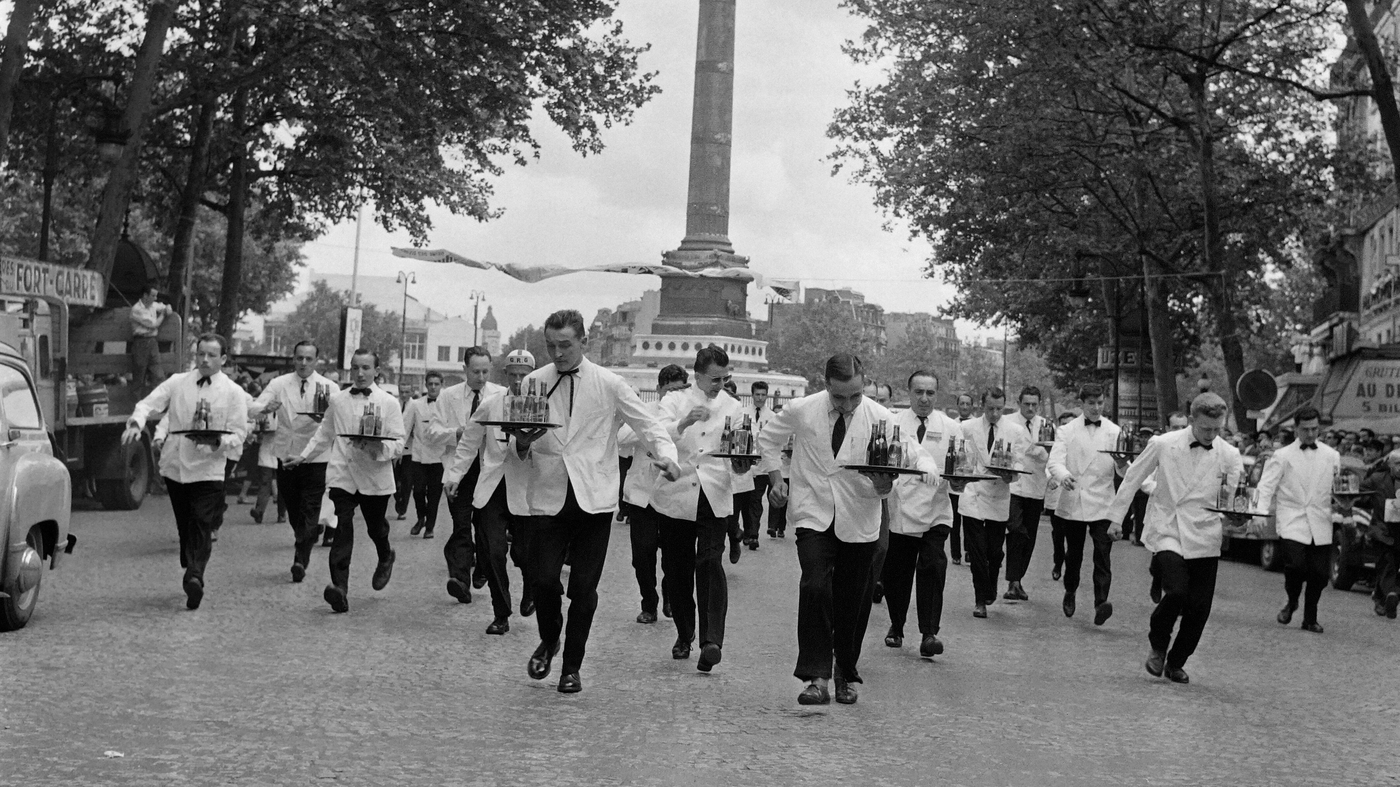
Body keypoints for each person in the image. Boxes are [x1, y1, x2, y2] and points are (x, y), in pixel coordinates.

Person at [508, 310, 679, 694]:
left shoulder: (609, 383)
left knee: (584, 590)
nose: (557, 353)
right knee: (543, 580)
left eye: (565, 345)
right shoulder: (533, 382)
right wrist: (521, 443)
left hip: (594, 501)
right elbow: (518, 441)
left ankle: (571, 667)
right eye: (550, 346)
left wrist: (669, 457)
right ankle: (550, 637)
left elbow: (648, 425)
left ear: (583, 341)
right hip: (548, 495)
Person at [757, 354, 911, 706]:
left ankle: (845, 670)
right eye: (839, 397)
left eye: (856, 396)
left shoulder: (881, 417)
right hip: (813, 511)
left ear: (864, 384)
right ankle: (816, 677)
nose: (848, 404)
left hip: (859, 515)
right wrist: (776, 478)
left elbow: (908, 459)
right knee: (814, 584)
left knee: (853, 596)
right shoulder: (802, 409)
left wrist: (887, 484)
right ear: (825, 384)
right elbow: (768, 440)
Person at [1108, 393, 1244, 684]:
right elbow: (1133, 478)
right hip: (1168, 526)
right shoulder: (1163, 444)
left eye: (1217, 429)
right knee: (1177, 592)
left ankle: (1177, 661)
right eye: (1205, 428)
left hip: (1205, 532)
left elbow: (1234, 498)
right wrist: (1116, 519)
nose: (1211, 435)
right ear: (1192, 420)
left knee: (1199, 609)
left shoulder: (1230, 455)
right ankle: (1158, 645)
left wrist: (1239, 518)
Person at [122, 333, 248, 609]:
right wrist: (136, 423)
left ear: (223, 359)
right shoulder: (178, 382)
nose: (205, 360)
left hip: (209, 467)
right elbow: (148, 404)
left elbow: (239, 432)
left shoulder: (233, 392)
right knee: (185, 522)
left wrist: (218, 442)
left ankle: (195, 576)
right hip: (176, 466)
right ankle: (189, 558)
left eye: (211, 355)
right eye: (201, 354)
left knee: (202, 521)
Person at [652, 345, 750, 671]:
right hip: (677, 491)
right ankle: (685, 633)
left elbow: (739, 450)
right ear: (697, 376)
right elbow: (655, 435)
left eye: (725, 378)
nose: (720, 385)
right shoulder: (674, 400)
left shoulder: (733, 406)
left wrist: (741, 464)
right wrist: (682, 423)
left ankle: (711, 641)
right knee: (677, 569)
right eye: (714, 379)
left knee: (709, 561)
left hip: (714, 492)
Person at [286, 349, 405, 614]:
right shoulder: (338, 400)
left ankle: (385, 555)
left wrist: (377, 448)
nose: (360, 374)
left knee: (376, 527)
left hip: (374, 475)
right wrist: (303, 457)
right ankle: (339, 588)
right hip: (343, 474)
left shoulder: (389, 403)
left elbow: (399, 443)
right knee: (342, 527)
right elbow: (324, 433)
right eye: (355, 368)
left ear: (377, 371)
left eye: (366, 368)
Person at [443, 352, 536, 634]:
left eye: (524, 375)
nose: (518, 380)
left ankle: (531, 588)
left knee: (526, 553)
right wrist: (455, 476)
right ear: (505, 374)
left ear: (533, 376)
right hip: (493, 486)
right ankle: (501, 613)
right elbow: (469, 442)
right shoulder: (491, 404)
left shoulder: (543, 407)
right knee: (491, 551)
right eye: (513, 375)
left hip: (527, 489)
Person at [882, 370, 959, 658]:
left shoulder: (951, 427)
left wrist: (959, 484)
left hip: (936, 509)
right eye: (919, 392)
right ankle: (897, 625)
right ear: (909, 393)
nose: (924, 398)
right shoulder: (893, 422)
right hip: (901, 508)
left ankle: (929, 633)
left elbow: (960, 469)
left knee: (933, 566)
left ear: (937, 395)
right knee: (897, 571)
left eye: (930, 393)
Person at [247, 340, 336, 582]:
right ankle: (307, 534)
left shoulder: (329, 387)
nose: (303, 363)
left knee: (310, 506)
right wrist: (265, 407)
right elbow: (253, 407)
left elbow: (337, 419)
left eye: (309, 359)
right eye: (299, 358)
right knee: (294, 507)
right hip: (286, 454)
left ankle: (300, 558)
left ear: (316, 361)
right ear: (293, 359)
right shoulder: (279, 383)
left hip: (316, 455)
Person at [1252, 407, 1339, 634]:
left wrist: (1344, 505)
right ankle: (1292, 601)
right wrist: (1258, 513)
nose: (1310, 434)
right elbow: (1266, 486)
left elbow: (1338, 488)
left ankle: (1310, 618)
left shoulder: (1331, 455)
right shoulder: (1282, 456)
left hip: (1320, 519)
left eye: (1314, 429)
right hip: (1292, 518)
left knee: (1320, 574)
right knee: (1296, 566)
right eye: (1305, 429)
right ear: (1296, 428)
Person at [427, 347, 504, 603]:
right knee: (461, 526)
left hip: (489, 471)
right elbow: (432, 433)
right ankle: (460, 580)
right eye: (475, 372)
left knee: (484, 526)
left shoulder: (500, 395)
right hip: (458, 472)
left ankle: (482, 566)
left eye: (485, 372)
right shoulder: (448, 396)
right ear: (465, 370)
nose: (481, 377)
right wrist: (456, 433)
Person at [1047, 384, 1122, 626]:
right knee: (1074, 553)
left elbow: (1122, 468)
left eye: (1100, 402)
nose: (1096, 408)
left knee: (1103, 553)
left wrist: (1122, 463)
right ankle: (1070, 590)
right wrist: (1063, 476)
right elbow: (1054, 461)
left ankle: (1101, 602)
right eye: (1091, 403)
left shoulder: (1114, 431)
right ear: (1082, 404)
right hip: (1075, 497)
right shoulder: (1067, 430)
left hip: (1103, 501)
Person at [619, 364, 689, 624]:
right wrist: (656, 426)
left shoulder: (688, 416)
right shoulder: (644, 410)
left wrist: (679, 425)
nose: (673, 396)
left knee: (673, 554)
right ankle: (648, 602)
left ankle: (670, 595)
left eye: (679, 390)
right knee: (642, 553)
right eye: (668, 390)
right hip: (642, 493)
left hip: (673, 492)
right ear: (659, 389)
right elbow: (622, 437)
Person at [958, 387, 1018, 619]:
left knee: (994, 552)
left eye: (999, 409)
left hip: (998, 494)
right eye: (990, 408)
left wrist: (1011, 476)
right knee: (976, 551)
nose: (994, 414)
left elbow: (1019, 463)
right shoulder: (967, 428)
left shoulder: (1014, 430)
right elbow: (960, 456)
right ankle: (980, 599)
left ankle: (990, 584)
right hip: (973, 494)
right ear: (982, 405)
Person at [1003, 386, 1050, 602]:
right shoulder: (1008, 422)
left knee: (1029, 536)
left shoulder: (1046, 425)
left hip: (1035, 487)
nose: (1030, 408)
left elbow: (1053, 455)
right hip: (1014, 486)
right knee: (1016, 530)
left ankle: (1017, 581)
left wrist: (1043, 455)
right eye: (1026, 404)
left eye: (1034, 405)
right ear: (1019, 403)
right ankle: (1013, 580)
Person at [404, 372, 447, 537]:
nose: (433, 387)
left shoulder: (446, 404)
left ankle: (430, 527)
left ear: (441, 385)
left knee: (434, 494)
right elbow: (406, 427)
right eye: (430, 384)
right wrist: (398, 450)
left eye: (437, 384)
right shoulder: (416, 404)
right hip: (419, 455)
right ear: (426, 385)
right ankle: (421, 518)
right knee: (418, 491)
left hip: (439, 457)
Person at [1362, 451, 1400, 619]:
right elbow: (1361, 493)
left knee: (1392, 566)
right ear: (1390, 464)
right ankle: (1392, 594)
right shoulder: (1377, 479)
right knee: (1387, 564)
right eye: (1398, 464)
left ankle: (1380, 597)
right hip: (1382, 530)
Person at [1048, 410, 1080, 580]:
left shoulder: (1081, 444)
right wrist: (1051, 479)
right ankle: (1058, 561)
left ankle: (1070, 564)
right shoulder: (1055, 443)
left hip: (1074, 496)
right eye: (1064, 424)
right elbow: (1049, 464)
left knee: (1073, 536)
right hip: (1057, 496)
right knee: (1058, 533)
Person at [949, 392, 977, 565]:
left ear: (972, 406)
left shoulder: (977, 425)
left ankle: (969, 550)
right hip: (955, 474)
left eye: (968, 404)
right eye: (962, 403)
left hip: (969, 475)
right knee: (954, 518)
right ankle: (955, 553)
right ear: (958, 405)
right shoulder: (952, 425)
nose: (965, 407)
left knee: (969, 516)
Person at [749, 381, 779, 539]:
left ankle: (771, 527)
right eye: (757, 394)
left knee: (771, 497)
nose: (760, 398)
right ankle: (753, 534)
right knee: (754, 501)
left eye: (763, 395)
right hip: (753, 465)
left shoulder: (773, 417)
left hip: (768, 464)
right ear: (752, 395)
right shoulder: (743, 413)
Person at [129, 283, 170, 397]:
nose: (155, 298)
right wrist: (163, 314)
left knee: (158, 375)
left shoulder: (152, 305)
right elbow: (153, 324)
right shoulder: (137, 309)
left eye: (156, 296)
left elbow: (164, 306)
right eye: (153, 295)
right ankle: (136, 404)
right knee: (139, 376)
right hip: (140, 342)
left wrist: (168, 307)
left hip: (152, 342)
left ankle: (157, 403)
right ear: (145, 295)